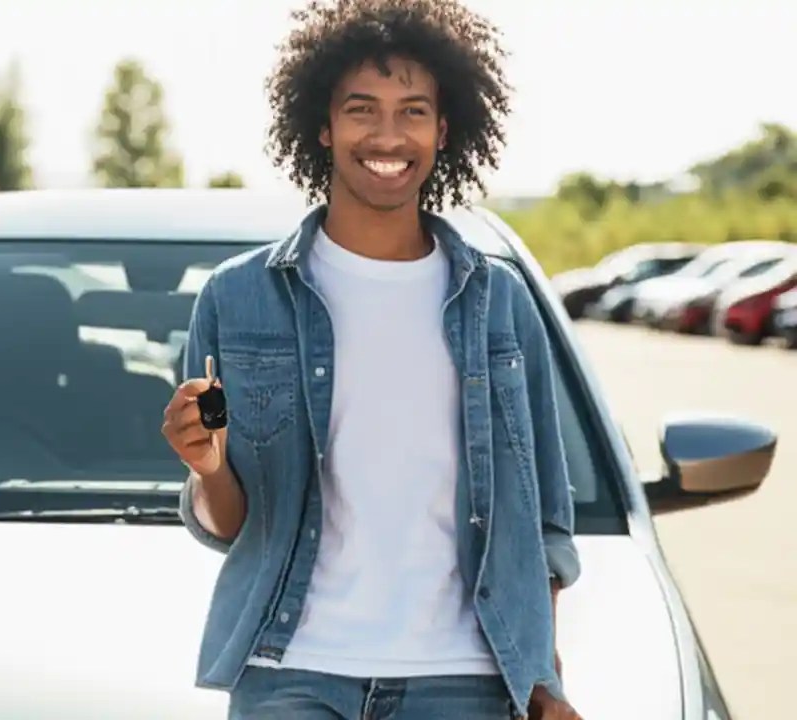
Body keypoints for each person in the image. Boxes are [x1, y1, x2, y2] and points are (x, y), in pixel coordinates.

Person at [160, 1, 583, 718]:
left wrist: (543, 684)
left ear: (443, 130)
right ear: (322, 125)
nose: (388, 135)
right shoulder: (239, 301)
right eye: (362, 109)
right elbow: (231, 524)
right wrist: (206, 470)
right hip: (289, 670)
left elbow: (540, 516)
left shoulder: (499, 303)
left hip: (464, 679)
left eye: (413, 111)